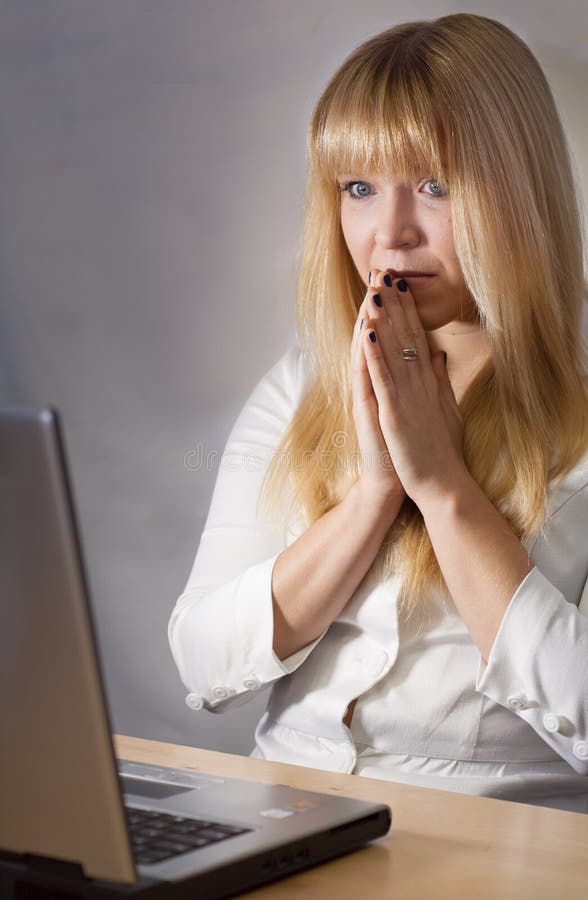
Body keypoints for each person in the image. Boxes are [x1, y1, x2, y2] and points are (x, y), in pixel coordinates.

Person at [168, 12, 588, 812]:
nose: (389, 234)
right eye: (359, 189)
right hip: (281, 815)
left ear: (520, 189)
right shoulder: (301, 382)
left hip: (495, 844)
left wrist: (443, 488)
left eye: (435, 186)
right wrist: (372, 493)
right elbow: (202, 658)